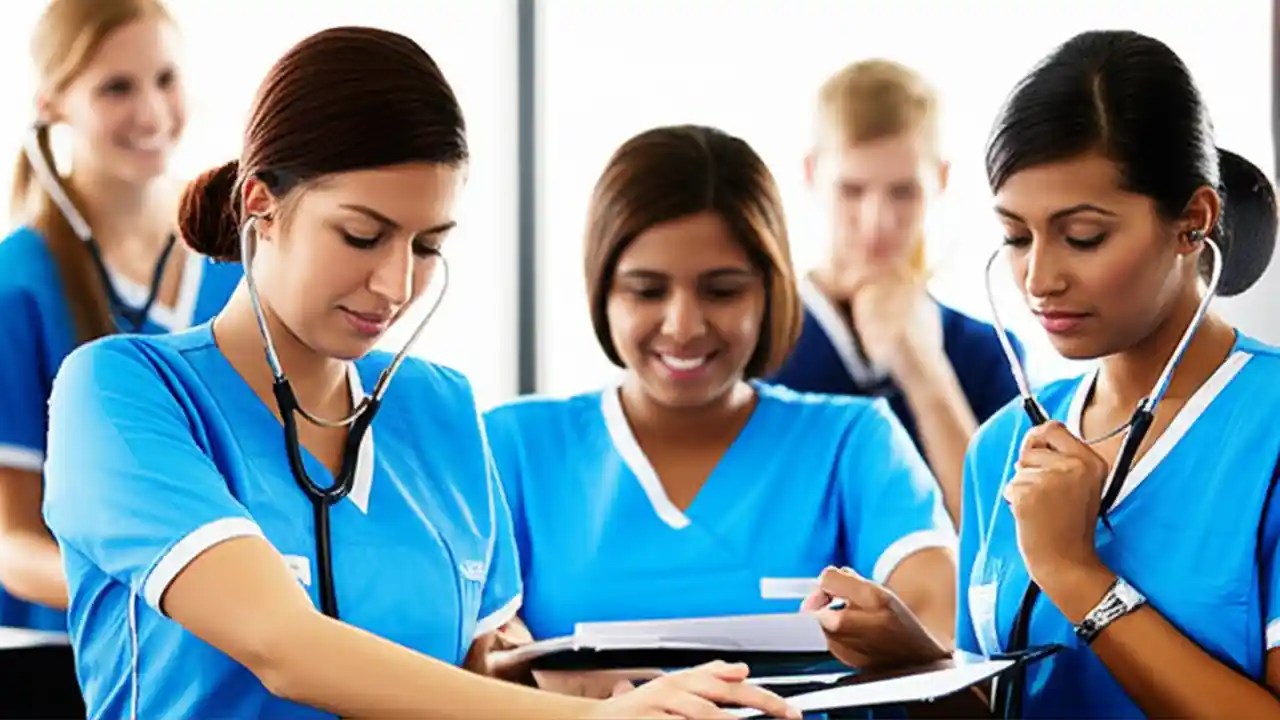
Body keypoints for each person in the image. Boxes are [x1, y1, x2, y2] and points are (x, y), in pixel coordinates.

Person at [39, 27, 798, 720]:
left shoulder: (439, 407)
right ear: (261, 206)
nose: (396, 285)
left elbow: (486, 666)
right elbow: (284, 647)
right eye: (363, 236)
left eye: (427, 245)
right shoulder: (120, 392)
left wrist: (658, 695)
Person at [801, 30, 1280, 718]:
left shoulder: (1270, 427)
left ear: (1192, 222)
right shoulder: (1001, 448)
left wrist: (1077, 575)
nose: (1039, 278)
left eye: (1083, 236)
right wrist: (913, 662)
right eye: (1017, 237)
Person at [483, 124, 957, 694]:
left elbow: (938, 629)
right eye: (647, 291)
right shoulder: (514, 447)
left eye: (722, 291)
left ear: (770, 292)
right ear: (602, 291)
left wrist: (897, 642)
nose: (684, 326)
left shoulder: (852, 442)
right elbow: (479, 646)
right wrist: (542, 682)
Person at [0, 0, 240, 631]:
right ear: (51, 103)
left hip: (235, 642)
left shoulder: (241, 258)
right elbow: (11, 543)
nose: (152, 114)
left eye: (166, 80)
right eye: (116, 89)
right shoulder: (19, 285)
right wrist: (172, 598)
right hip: (84, 655)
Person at [771, 59, 1023, 525]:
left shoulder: (990, 353)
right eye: (851, 190)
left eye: (904, 192)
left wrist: (925, 373)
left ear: (941, 180)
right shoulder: (760, 344)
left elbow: (1003, 539)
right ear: (810, 173)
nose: (876, 222)